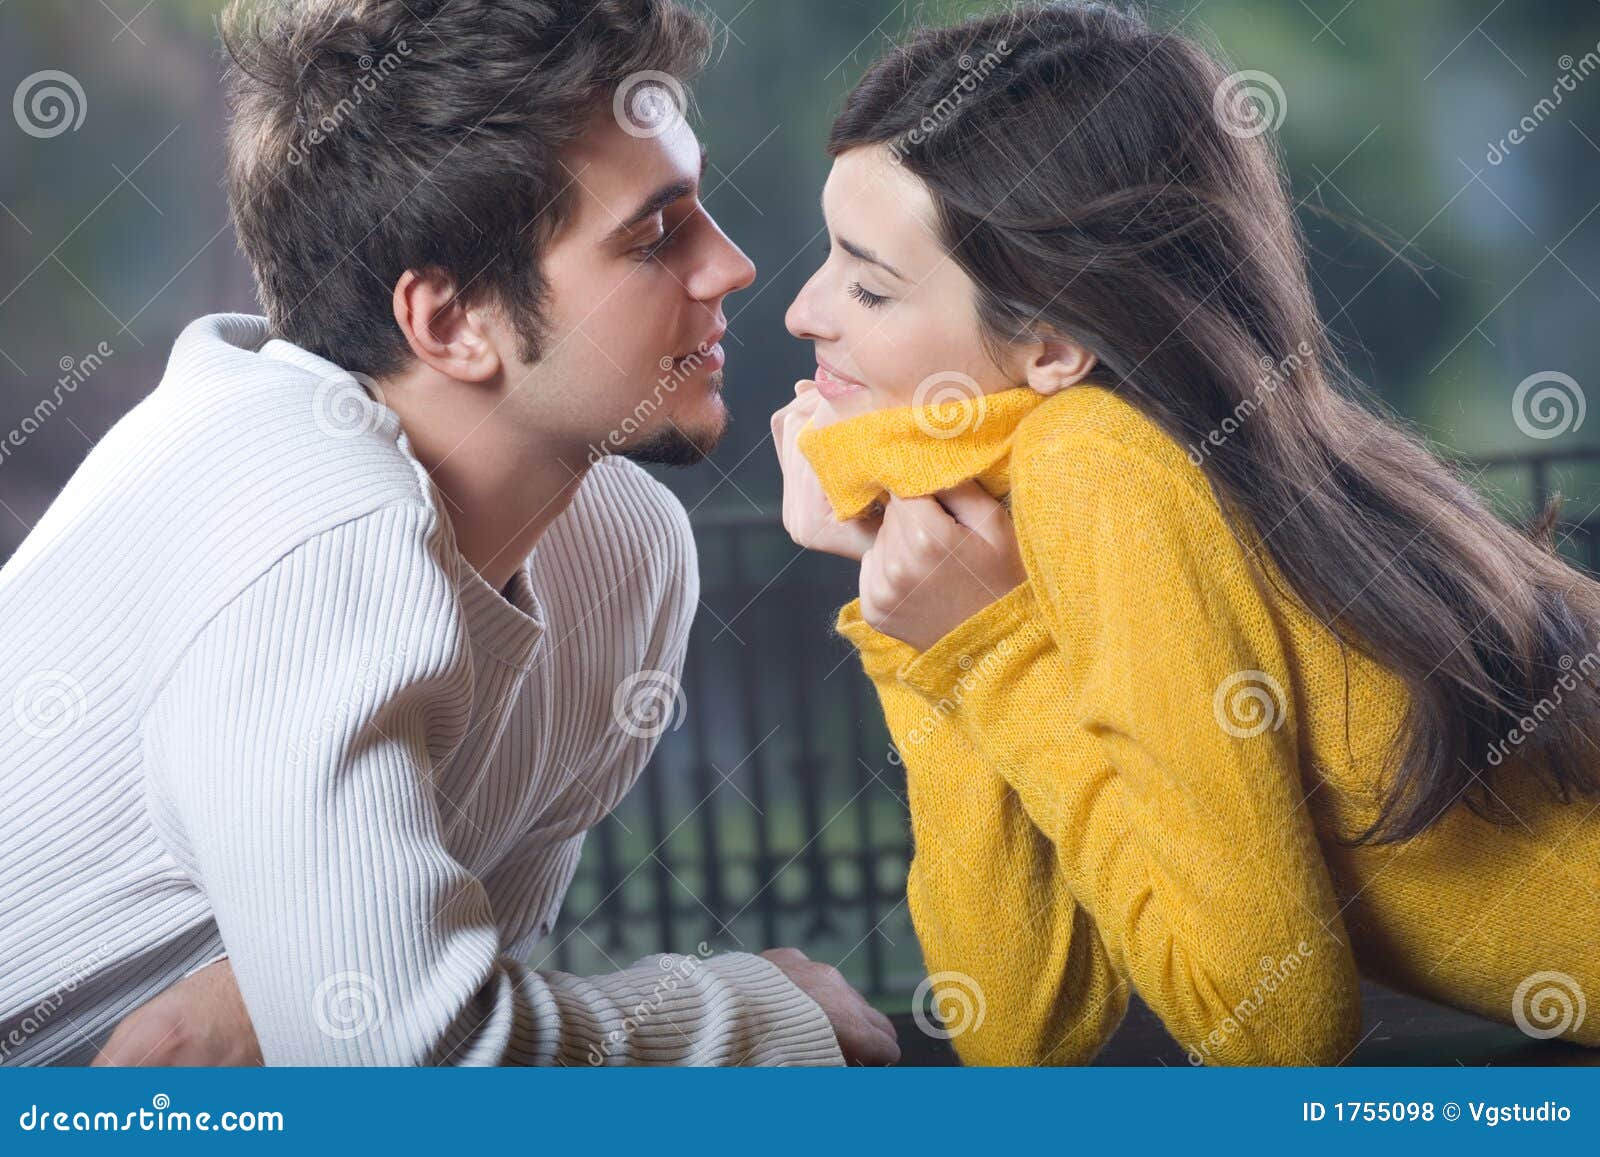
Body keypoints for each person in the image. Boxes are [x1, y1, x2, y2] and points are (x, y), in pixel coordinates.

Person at [0, 0, 898, 1067]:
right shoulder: (309, 517)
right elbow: (416, 1064)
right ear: (449, 322)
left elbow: (435, 1026)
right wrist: (760, 1016)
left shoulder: (623, 553)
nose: (733, 265)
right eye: (654, 235)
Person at [772, 0, 1600, 1065]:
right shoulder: (1134, 461)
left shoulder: (1095, 462)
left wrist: (985, 655)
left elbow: (1271, 1031)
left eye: (869, 284)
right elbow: (1020, 1027)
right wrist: (928, 632)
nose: (802, 310)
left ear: (1055, 343)